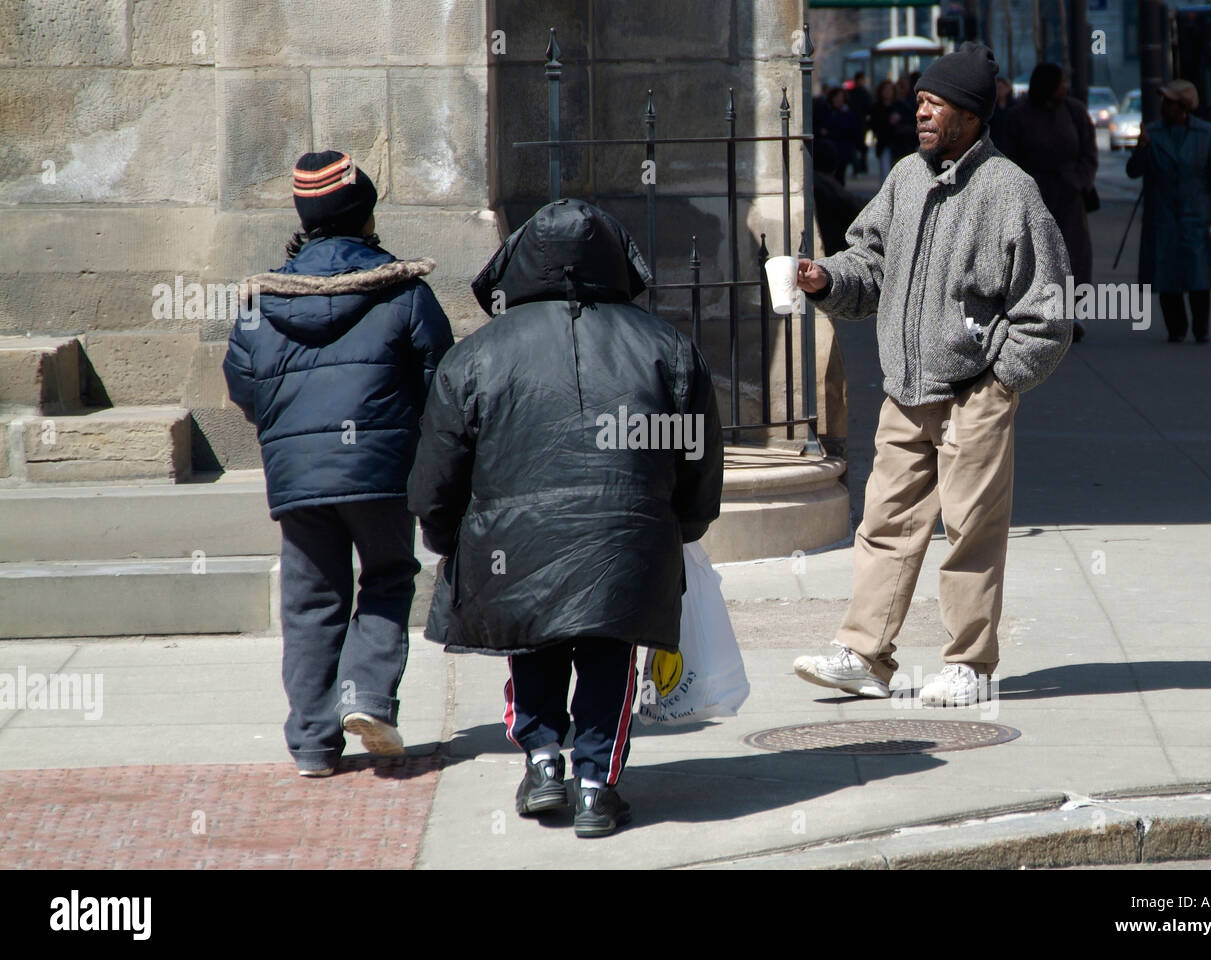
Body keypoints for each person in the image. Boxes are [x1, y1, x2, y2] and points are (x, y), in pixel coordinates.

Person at [407, 199, 723, 838]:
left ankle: (544, 761)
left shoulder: (477, 355)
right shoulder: (667, 349)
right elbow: (698, 461)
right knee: (609, 655)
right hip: (625, 542)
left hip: (513, 545)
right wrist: (681, 528)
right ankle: (594, 786)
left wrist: (448, 539)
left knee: (534, 643)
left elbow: (437, 474)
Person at [790, 43, 1072, 707]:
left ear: (971, 117)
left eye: (934, 103)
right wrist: (828, 276)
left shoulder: (1012, 192)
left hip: (974, 392)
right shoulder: (906, 179)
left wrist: (1000, 379)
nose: (919, 111)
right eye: (918, 100)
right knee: (884, 525)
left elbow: (1049, 312)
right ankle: (865, 654)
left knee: (970, 530)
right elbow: (870, 263)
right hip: (905, 391)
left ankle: (969, 664)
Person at [223, 151, 454, 777]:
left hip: (298, 478)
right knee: (385, 576)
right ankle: (367, 697)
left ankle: (314, 743)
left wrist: (296, 439)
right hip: (380, 474)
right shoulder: (405, 294)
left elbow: (244, 388)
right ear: (366, 216)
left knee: (310, 601)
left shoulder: (259, 302)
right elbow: (442, 385)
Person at [1126, 79, 1211, 343]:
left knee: (1198, 276)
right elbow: (1133, 171)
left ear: (1183, 106)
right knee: (1167, 275)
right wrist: (1142, 147)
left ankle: (1201, 328)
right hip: (1162, 216)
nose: (1165, 106)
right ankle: (1176, 328)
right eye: (1164, 101)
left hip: (1196, 215)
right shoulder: (1153, 132)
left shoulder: (1206, 133)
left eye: (1170, 102)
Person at [1003, 63, 1097, 343]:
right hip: (1035, 195)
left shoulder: (1075, 112)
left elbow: (1088, 152)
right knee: (1036, 254)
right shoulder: (1018, 116)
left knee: (1074, 254)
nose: (1065, 88)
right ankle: (1039, 313)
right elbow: (1009, 157)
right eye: (1061, 83)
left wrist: (1080, 181)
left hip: (1069, 195)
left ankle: (1072, 314)